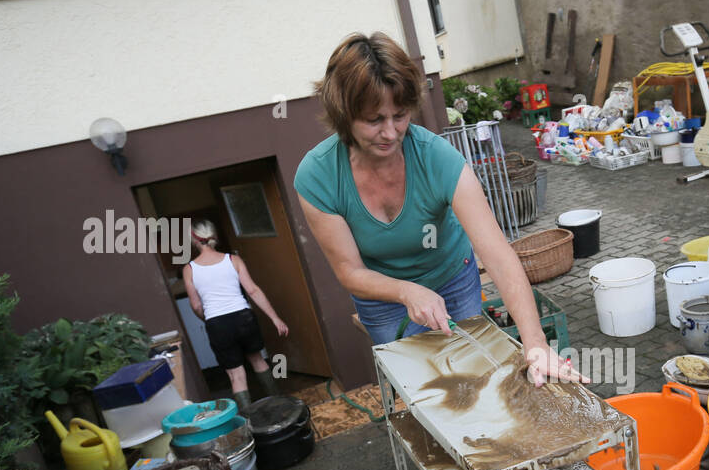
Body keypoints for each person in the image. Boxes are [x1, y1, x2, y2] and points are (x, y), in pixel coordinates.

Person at [294, 32, 581, 386]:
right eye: (373, 120)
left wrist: (535, 344)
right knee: (419, 386)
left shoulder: (438, 158)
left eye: (399, 116)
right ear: (344, 115)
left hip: (451, 278)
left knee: (472, 376)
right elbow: (349, 272)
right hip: (381, 298)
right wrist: (405, 291)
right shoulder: (317, 176)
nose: (390, 132)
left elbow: (497, 254)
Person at [181, 219, 288, 413]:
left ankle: (249, 421)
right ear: (213, 235)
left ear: (193, 239)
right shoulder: (233, 260)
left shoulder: (189, 269)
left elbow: (196, 304)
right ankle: (279, 405)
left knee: (235, 375)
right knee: (258, 360)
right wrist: (275, 318)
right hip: (243, 317)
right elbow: (253, 290)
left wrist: (210, 319)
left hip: (217, 323)